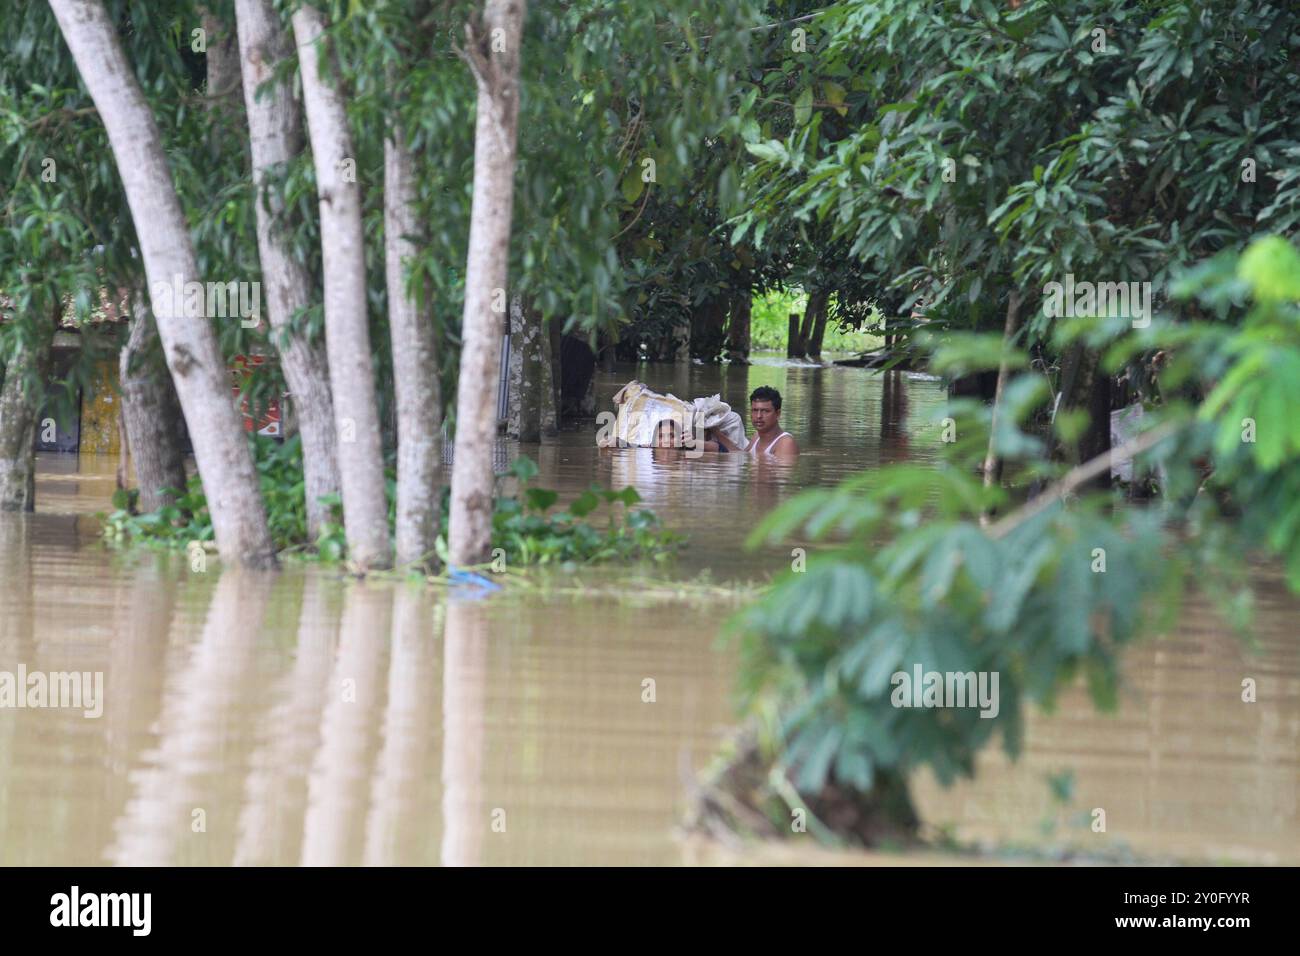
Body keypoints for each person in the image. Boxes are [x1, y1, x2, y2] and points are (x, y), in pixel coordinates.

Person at [745, 386, 798, 459]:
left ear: (778, 414)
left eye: (765, 411)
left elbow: (783, 470)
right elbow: (740, 456)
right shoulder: (757, 436)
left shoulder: (786, 444)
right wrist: (723, 437)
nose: (758, 416)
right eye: (755, 410)